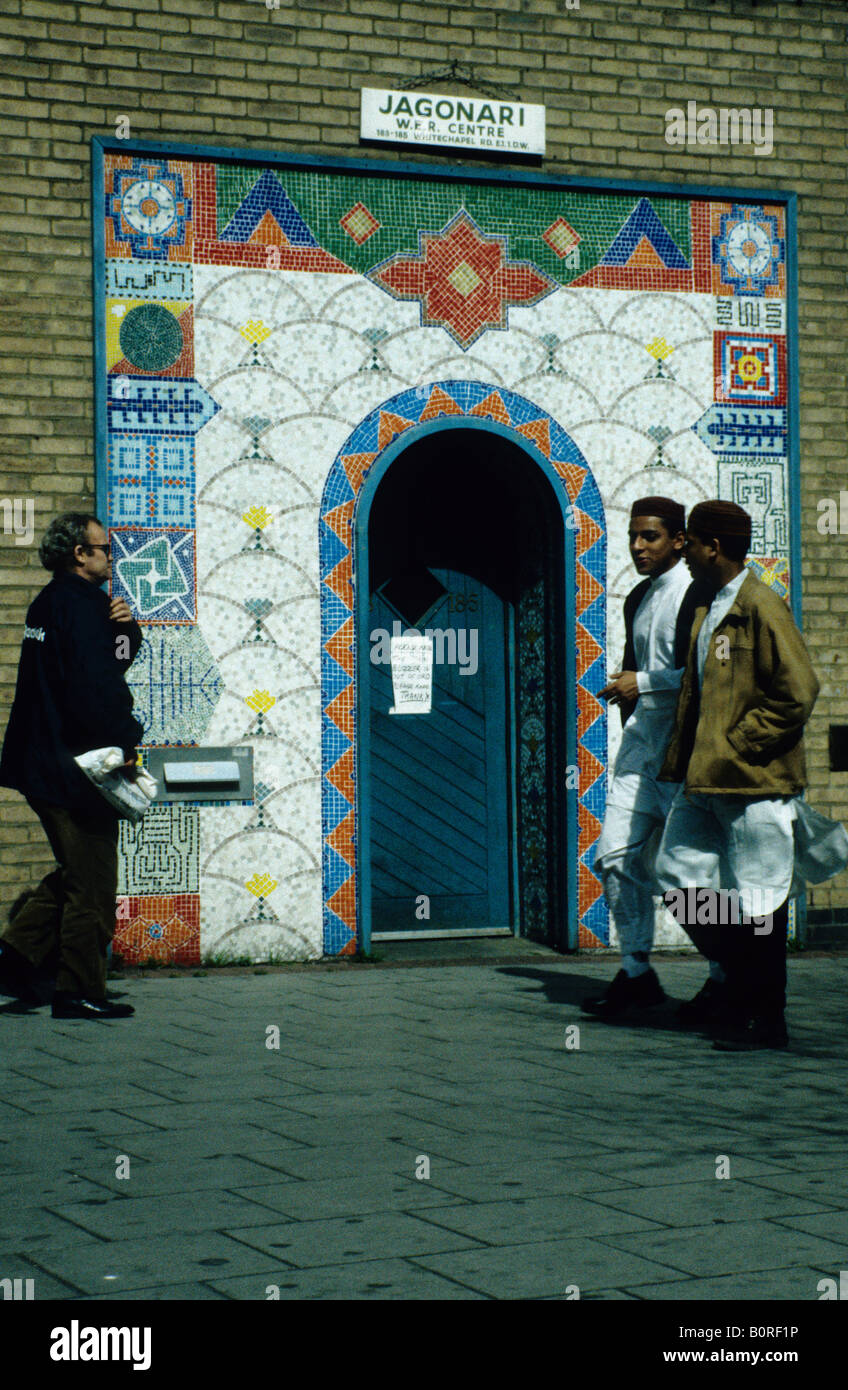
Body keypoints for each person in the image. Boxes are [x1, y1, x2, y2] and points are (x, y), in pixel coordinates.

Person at [654, 499, 820, 1051]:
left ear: (712, 547)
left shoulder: (760, 606)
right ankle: (736, 979)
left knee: (760, 898)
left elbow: (799, 691)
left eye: (691, 544)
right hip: (702, 780)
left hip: (753, 783)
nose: (686, 553)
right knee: (679, 876)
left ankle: (765, 1016)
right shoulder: (707, 605)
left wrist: (743, 741)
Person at [0, 513, 144, 1020]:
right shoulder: (82, 608)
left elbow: (111, 660)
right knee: (93, 882)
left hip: (39, 760)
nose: (112, 556)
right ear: (79, 555)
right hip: (71, 765)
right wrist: (126, 742)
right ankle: (77, 990)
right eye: (105, 548)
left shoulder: (50, 602)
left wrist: (128, 630)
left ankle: (15, 955)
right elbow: (95, 688)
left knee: (77, 869)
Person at [582, 497, 706, 1019]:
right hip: (641, 749)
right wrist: (630, 705)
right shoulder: (637, 598)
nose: (638, 546)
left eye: (650, 537)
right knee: (614, 857)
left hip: (687, 753)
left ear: (679, 540)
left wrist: (645, 682)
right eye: (634, 536)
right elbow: (634, 674)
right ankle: (636, 972)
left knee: (693, 874)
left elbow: (708, 677)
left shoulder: (698, 596)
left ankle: (727, 975)